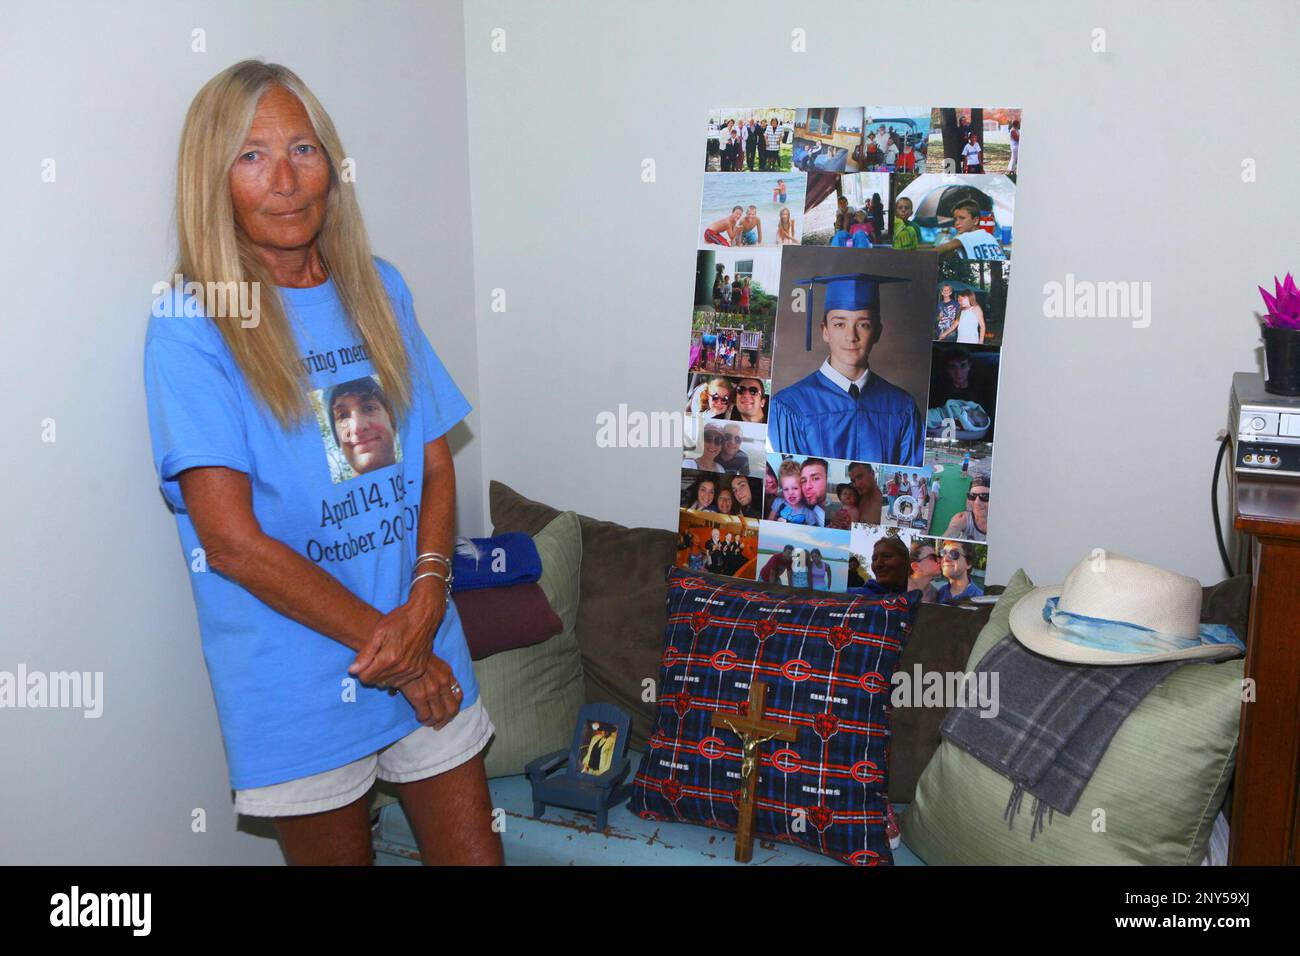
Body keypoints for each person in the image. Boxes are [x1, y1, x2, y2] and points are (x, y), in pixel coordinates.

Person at [143, 62, 500, 865]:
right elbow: (230, 542)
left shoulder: (379, 288)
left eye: (302, 148)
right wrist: (397, 650)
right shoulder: (191, 324)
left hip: (422, 636)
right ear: (213, 178)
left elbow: (435, 469)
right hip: (300, 679)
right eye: (251, 155)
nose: (285, 179)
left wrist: (426, 603)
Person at [768, 273, 924, 466]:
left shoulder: (902, 407)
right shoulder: (789, 406)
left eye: (863, 324)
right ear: (825, 331)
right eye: (839, 324)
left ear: (877, 332)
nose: (851, 336)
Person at [933, 199, 1006, 260]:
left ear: (976, 221)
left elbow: (940, 249)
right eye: (955, 219)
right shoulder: (989, 237)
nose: (957, 223)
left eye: (962, 218)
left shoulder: (966, 237)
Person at [769, 458, 823, 525]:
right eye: (786, 489)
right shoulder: (778, 502)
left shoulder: (808, 513)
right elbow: (769, 523)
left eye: (795, 488)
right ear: (782, 489)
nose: (790, 493)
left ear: (802, 488)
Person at [942, 472, 989, 542]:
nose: (977, 503)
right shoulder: (962, 518)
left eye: (985, 496)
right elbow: (951, 531)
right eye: (972, 496)